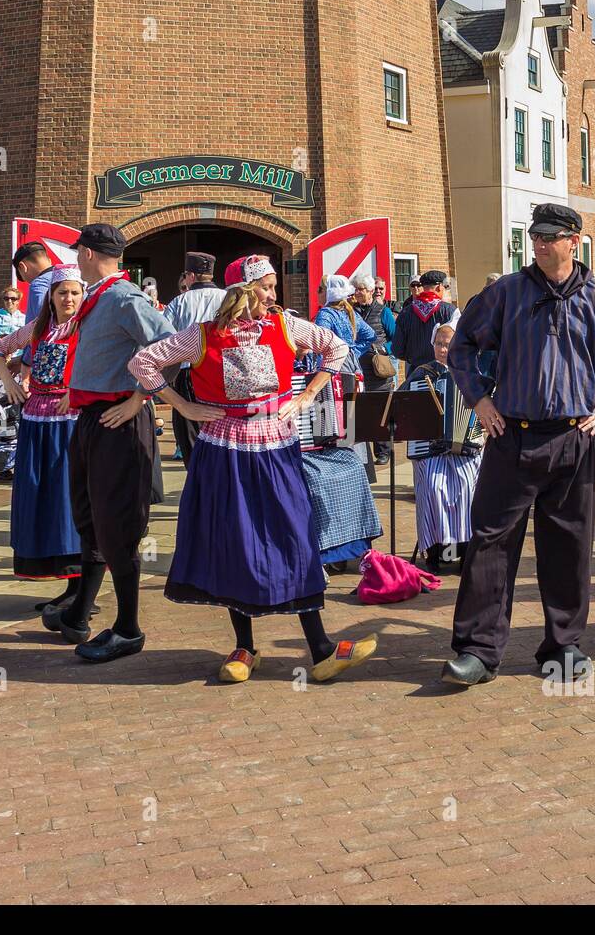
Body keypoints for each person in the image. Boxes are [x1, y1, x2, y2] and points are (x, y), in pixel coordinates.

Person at [442, 203, 595, 687]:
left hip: (573, 439)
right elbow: (461, 348)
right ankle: (478, 650)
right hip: (510, 436)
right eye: (534, 237)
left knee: (568, 546)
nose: (539, 244)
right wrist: (479, 400)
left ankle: (563, 646)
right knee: (489, 544)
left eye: (548, 236)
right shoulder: (505, 293)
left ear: (573, 241)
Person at [127, 276, 377, 684]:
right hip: (224, 449)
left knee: (292, 536)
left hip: (272, 445)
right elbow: (142, 362)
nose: (271, 297)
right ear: (242, 295)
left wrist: (307, 395)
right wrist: (183, 406)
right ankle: (246, 647)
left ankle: (320, 648)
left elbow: (337, 347)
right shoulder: (204, 335)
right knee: (234, 540)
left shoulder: (282, 326)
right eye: (264, 289)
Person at [55, 224, 174, 663]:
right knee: (91, 519)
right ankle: (81, 612)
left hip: (117, 423)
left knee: (117, 525)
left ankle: (128, 628)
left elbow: (173, 346)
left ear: (86, 253)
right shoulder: (99, 296)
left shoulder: (125, 298)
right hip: (92, 421)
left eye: (77, 252)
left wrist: (139, 398)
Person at [0, 264, 88, 601]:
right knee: (41, 496)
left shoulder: (88, 327)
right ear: (51, 296)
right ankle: (62, 578)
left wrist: (79, 390)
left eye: (74, 292)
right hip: (36, 420)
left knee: (67, 497)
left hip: (71, 422)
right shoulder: (38, 327)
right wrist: (9, 383)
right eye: (62, 292)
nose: (68, 298)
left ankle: (80, 586)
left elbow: (113, 362)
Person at [303, 274, 383, 569]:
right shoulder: (348, 312)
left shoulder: (325, 314)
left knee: (332, 429)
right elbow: (368, 337)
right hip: (351, 373)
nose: (319, 292)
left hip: (330, 376)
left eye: (321, 288)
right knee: (351, 430)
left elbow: (317, 348)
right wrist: (353, 352)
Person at [405, 324, 483, 574]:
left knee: (466, 487)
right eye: (438, 343)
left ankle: (464, 550)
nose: (442, 349)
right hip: (430, 448)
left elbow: (487, 408)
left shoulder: (472, 373)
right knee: (432, 485)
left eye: (447, 344)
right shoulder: (421, 374)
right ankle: (435, 551)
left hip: (466, 449)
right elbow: (404, 407)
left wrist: (479, 431)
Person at [163, 251, 227, 463]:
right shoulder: (227, 298)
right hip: (222, 373)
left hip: (188, 373)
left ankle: (197, 477)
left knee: (190, 433)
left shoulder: (179, 302)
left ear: (190, 276)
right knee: (222, 429)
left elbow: (164, 339)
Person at [352, 274, 395, 463]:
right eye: (356, 289)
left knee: (380, 411)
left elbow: (396, 337)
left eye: (361, 289)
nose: (357, 292)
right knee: (362, 412)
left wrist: (385, 349)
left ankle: (383, 452)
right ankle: (364, 455)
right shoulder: (351, 311)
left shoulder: (383, 311)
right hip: (358, 369)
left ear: (370, 291)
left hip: (378, 369)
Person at [392, 270, 454, 372]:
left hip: (415, 370)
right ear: (439, 287)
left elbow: (397, 350)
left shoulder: (405, 312)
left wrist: (412, 357)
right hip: (443, 371)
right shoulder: (450, 311)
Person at [14, 241, 55, 321]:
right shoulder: (72, 276)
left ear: (22, 267)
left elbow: (43, 322)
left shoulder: (39, 284)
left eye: (24, 278)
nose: (29, 282)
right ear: (49, 261)